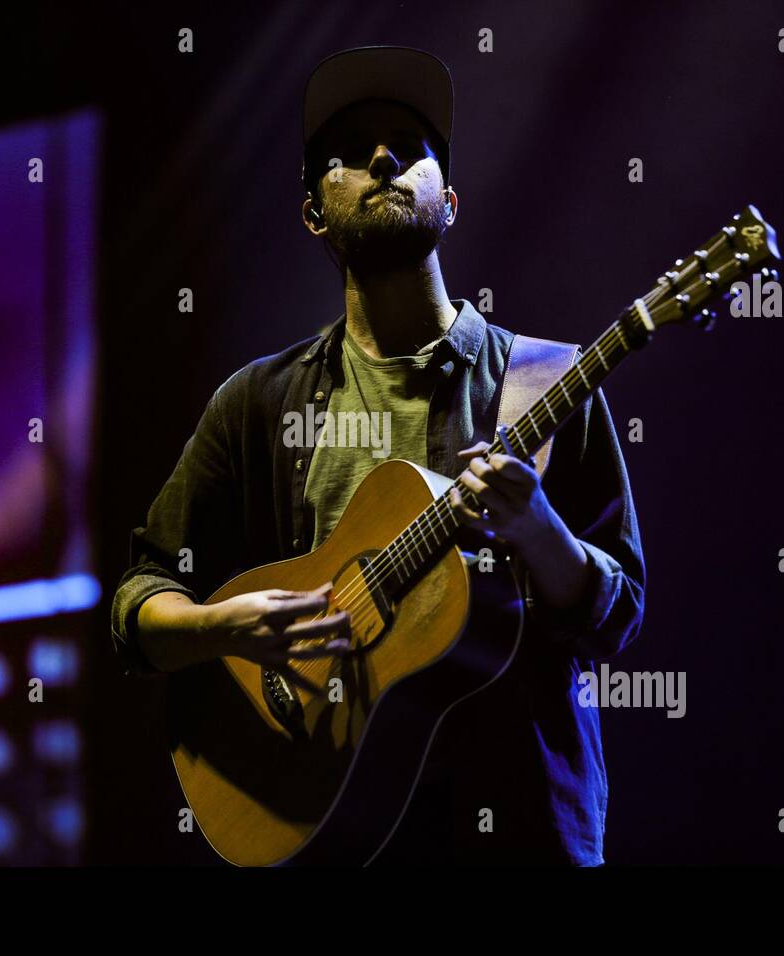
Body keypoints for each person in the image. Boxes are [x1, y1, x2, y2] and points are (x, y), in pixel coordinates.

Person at [111, 46, 645, 865]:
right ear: (312, 215)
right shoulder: (258, 403)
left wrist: (539, 530)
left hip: (522, 834)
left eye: (409, 145)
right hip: (337, 836)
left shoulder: (546, 384)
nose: (385, 159)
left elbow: (617, 616)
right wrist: (224, 628)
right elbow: (137, 603)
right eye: (351, 151)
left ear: (451, 201)